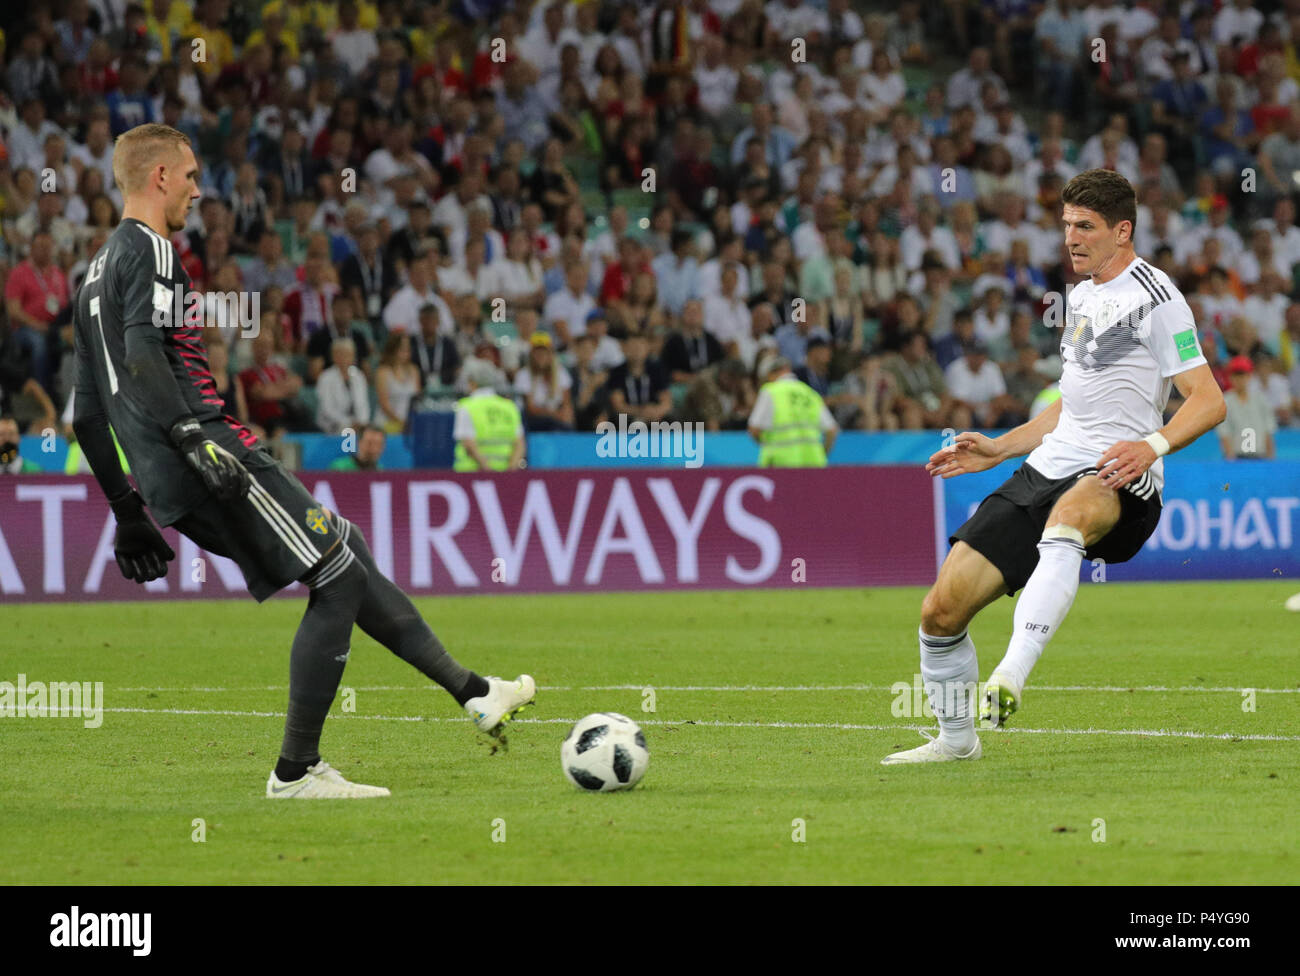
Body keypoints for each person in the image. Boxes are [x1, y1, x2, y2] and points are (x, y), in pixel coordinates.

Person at [70, 124, 534, 798]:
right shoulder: (153, 249)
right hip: (207, 450)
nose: (200, 190)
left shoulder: (92, 276)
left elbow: (86, 413)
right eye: (192, 175)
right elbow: (143, 351)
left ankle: (473, 691)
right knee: (338, 575)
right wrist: (192, 438)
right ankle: (296, 771)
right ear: (160, 177)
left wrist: (126, 508)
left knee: (348, 546)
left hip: (176, 464)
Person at [885, 170, 1226, 764]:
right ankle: (956, 742)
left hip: (1120, 475)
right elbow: (1073, 403)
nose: (1070, 237)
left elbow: (1209, 399)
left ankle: (1011, 676)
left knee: (1068, 519)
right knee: (940, 610)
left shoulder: (1157, 296)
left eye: (1085, 226)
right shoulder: (1083, 292)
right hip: (1047, 466)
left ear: (1122, 230)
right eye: (1066, 224)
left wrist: (1153, 445)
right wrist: (999, 447)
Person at [747, 357, 838, 467]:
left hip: (781, 464)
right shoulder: (810, 393)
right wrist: (822, 454)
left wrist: (767, 445)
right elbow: (831, 430)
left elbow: (754, 429)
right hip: (813, 465)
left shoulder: (771, 391)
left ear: (770, 374)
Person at [454, 358, 525, 471]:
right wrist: (510, 471)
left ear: (472, 382)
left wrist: (488, 471)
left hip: (471, 474)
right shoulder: (509, 407)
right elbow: (519, 444)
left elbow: (468, 444)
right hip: (505, 474)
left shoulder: (466, 406)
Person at [1219, 356, 1276, 459]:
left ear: (1249, 376)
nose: (1240, 379)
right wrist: (1230, 460)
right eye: (1236, 375)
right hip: (1236, 457)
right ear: (1230, 377)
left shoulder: (1260, 399)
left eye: (1243, 375)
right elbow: (1224, 434)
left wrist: (1270, 459)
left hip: (1260, 456)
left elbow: (1268, 432)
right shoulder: (1225, 401)